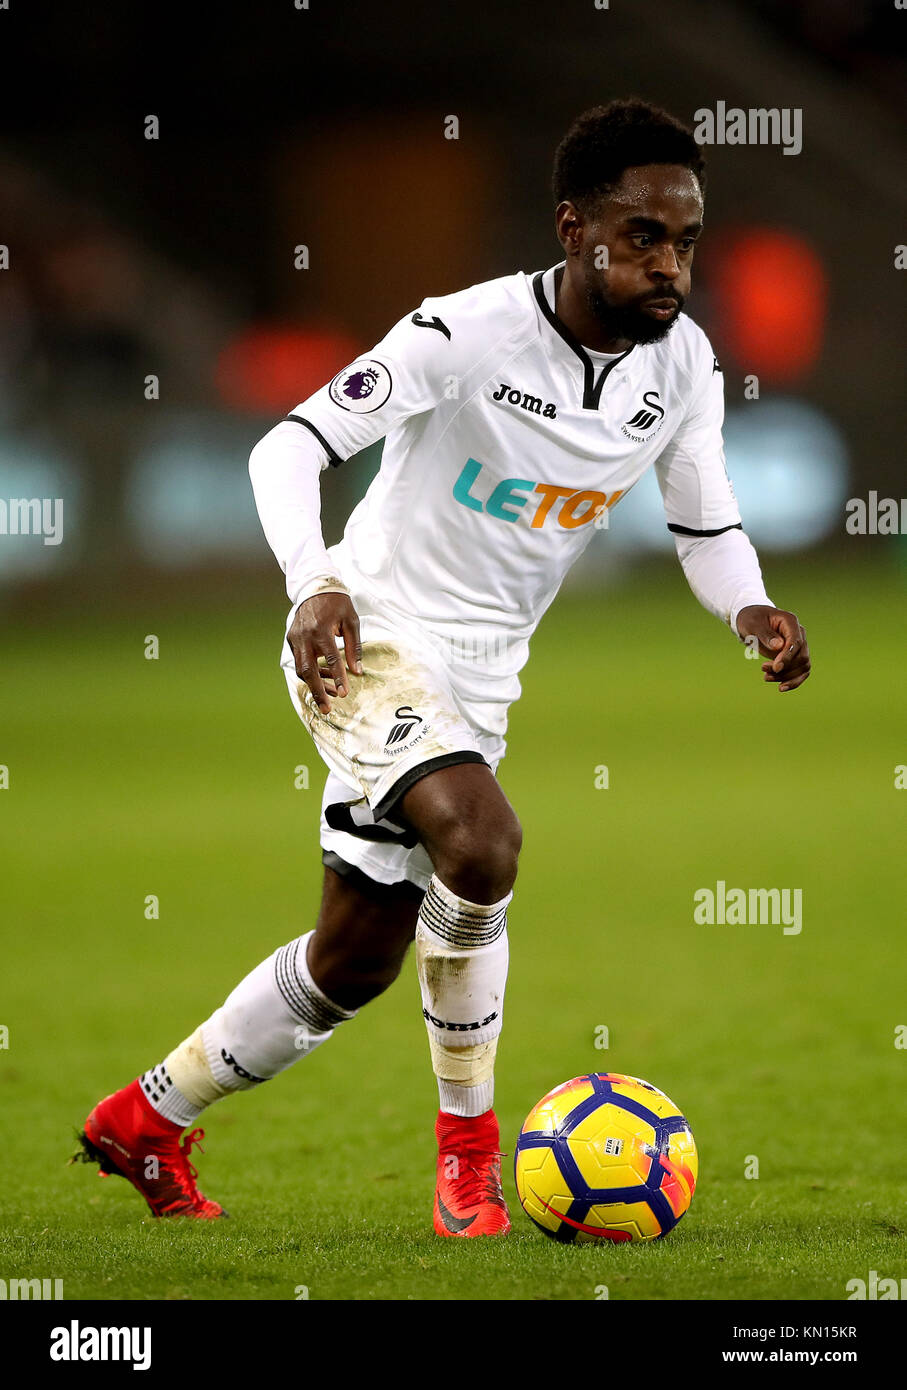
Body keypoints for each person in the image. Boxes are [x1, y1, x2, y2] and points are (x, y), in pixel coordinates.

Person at [75, 99, 810, 1235]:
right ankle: (467, 1160)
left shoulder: (684, 365)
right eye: (644, 237)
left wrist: (750, 607)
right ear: (576, 230)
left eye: (686, 239)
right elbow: (289, 445)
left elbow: (705, 528)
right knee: (484, 840)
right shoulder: (461, 335)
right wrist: (310, 581)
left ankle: (145, 1119)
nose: (671, 264)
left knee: (352, 960)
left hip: (481, 680)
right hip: (359, 638)